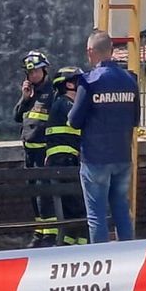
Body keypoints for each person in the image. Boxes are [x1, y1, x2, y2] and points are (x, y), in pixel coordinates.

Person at [69, 31, 141, 244]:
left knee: (96, 215)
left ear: (90, 51)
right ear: (111, 50)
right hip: (122, 156)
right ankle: (129, 254)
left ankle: (100, 257)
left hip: (95, 159)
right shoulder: (130, 80)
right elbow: (135, 119)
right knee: (121, 209)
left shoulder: (89, 81)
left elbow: (74, 120)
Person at [13, 49, 58, 247]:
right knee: (33, 192)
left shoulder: (52, 93)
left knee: (44, 194)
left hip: (44, 152)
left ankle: (50, 234)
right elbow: (16, 116)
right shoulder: (30, 93)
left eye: (36, 71)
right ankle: (39, 231)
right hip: (29, 152)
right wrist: (25, 97)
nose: (33, 75)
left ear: (44, 70)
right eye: (30, 73)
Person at [45, 66, 87, 246]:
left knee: (71, 206)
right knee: (79, 204)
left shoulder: (60, 103)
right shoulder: (65, 104)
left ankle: (70, 242)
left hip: (62, 161)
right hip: (65, 161)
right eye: (80, 82)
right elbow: (81, 121)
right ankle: (84, 244)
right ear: (69, 85)